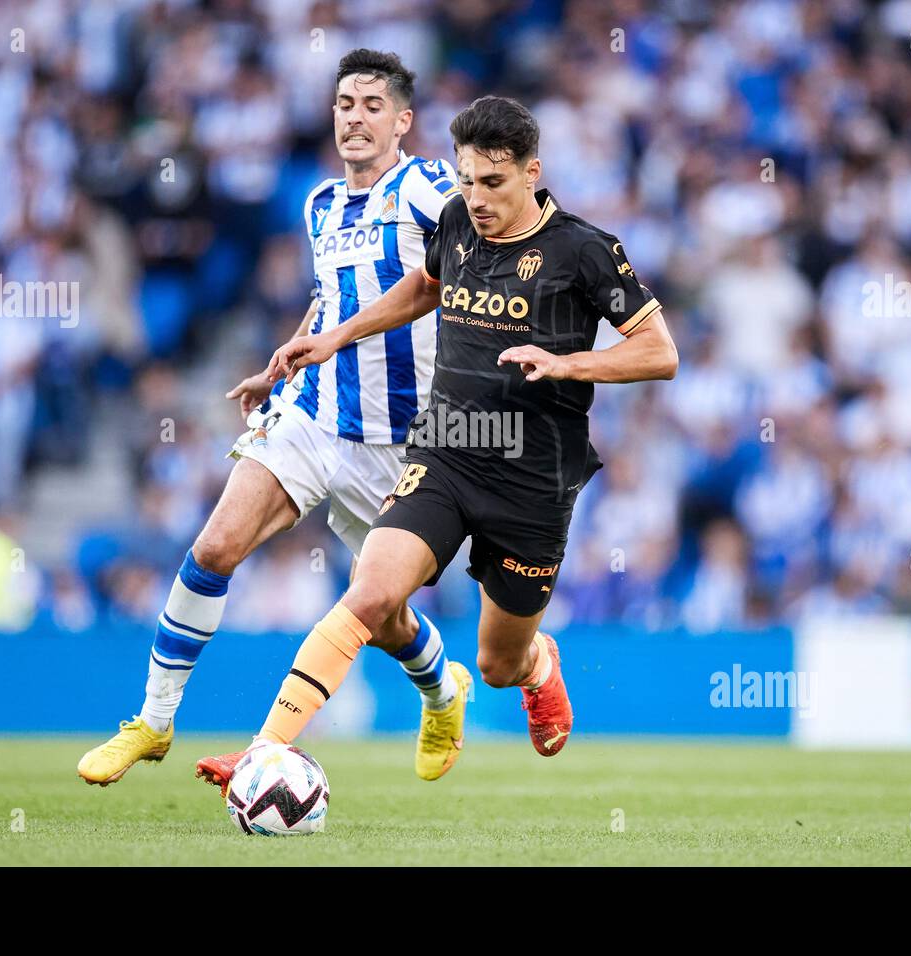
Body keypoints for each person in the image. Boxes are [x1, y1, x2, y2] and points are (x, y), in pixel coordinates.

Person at [196, 95, 678, 792]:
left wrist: (568, 362)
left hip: (532, 480)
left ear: (532, 172)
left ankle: (540, 663)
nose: (476, 199)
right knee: (369, 595)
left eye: (494, 183)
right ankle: (263, 751)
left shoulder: (585, 250)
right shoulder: (455, 221)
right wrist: (335, 335)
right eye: (466, 180)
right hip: (445, 451)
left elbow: (659, 352)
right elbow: (424, 286)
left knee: (496, 665)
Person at [78, 50, 472, 788]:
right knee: (217, 544)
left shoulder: (429, 187)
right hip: (316, 411)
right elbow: (332, 299)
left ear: (403, 122)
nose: (355, 116)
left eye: (371, 105)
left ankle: (442, 693)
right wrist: (285, 358)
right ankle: (153, 723)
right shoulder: (320, 204)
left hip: (406, 443)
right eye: (344, 103)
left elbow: (436, 282)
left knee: (383, 615)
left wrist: (334, 335)